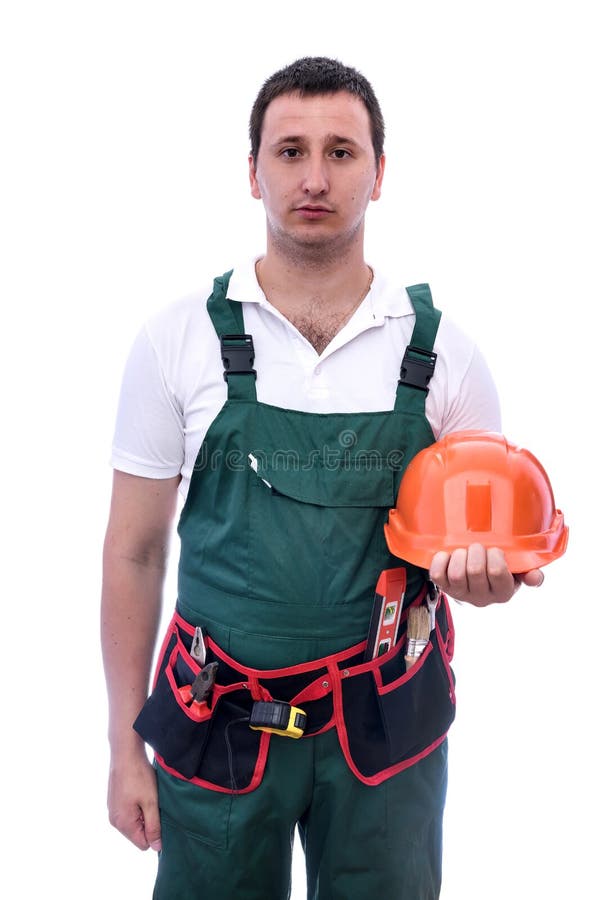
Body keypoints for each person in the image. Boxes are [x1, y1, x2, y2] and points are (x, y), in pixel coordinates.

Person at [102, 56, 543, 900]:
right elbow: (134, 553)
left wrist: (487, 583)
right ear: (252, 170)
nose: (313, 176)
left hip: (387, 730)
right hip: (215, 721)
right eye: (289, 150)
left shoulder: (444, 354)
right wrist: (125, 746)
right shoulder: (178, 339)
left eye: (341, 152)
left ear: (378, 174)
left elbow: (483, 561)